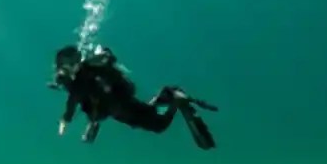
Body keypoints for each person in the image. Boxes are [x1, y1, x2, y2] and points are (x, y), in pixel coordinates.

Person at [50, 44, 218, 149]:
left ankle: (172, 97)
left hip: (119, 108)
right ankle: (169, 97)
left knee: (159, 125)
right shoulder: (87, 73)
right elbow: (84, 100)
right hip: (119, 103)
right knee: (150, 114)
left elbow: (73, 103)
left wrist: (65, 122)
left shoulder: (79, 82)